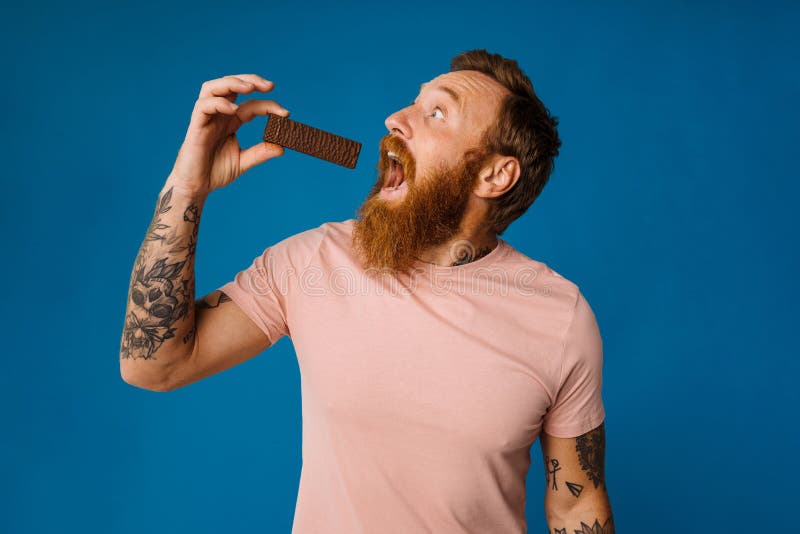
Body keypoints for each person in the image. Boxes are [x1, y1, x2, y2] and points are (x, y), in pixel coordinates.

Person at [119, 49, 614, 534]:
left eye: (436, 112)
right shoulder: (311, 263)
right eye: (412, 104)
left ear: (494, 174)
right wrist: (186, 187)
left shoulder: (560, 317)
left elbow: (576, 507)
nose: (395, 119)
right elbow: (154, 365)